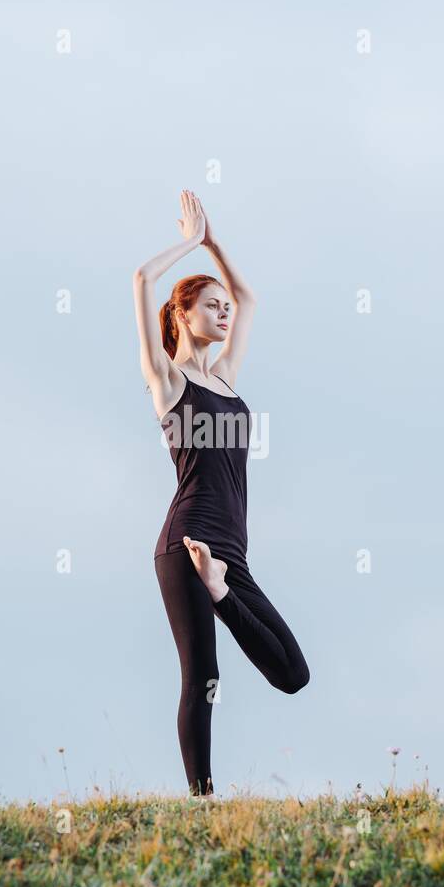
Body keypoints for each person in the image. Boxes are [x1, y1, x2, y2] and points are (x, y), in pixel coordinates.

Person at [132, 189, 310, 797]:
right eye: (212, 305)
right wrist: (188, 241)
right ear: (183, 315)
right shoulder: (168, 380)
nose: (226, 312)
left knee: (293, 672)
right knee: (201, 675)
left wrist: (213, 242)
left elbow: (251, 297)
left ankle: (222, 593)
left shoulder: (226, 381)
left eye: (223, 305)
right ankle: (202, 801)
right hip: (185, 542)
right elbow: (139, 278)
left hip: (231, 556)